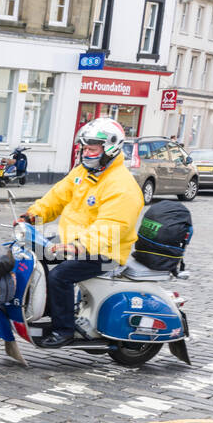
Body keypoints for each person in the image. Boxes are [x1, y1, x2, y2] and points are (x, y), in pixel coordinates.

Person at [20, 117, 143, 348]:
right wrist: (32, 216)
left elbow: (111, 227)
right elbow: (56, 198)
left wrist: (77, 246)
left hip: (108, 254)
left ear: (109, 150)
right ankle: (48, 308)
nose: (86, 153)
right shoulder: (83, 173)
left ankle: (63, 329)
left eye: (92, 149)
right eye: (84, 148)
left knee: (61, 276)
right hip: (77, 245)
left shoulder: (122, 186)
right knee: (35, 254)